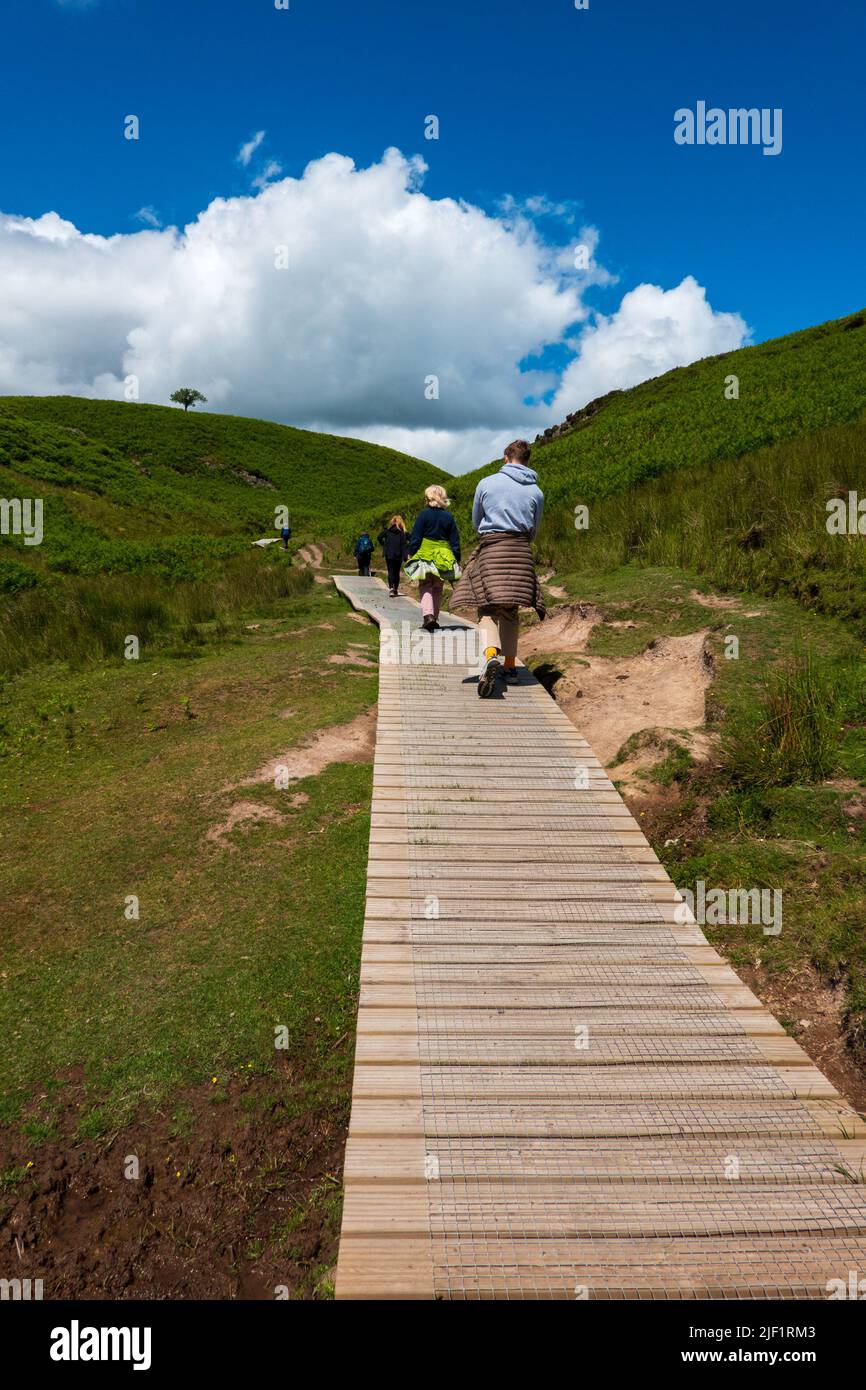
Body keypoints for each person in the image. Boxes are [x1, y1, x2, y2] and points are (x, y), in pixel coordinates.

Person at [450, 439, 545, 697]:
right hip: (521, 551)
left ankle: (491, 654)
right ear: (527, 460)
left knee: (488, 608)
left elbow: (475, 520)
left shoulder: (486, 483)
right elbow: (535, 529)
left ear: (506, 457)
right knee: (511, 609)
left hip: (492, 548)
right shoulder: (536, 492)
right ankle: (512, 668)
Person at [404, 486, 461, 632]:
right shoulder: (448, 517)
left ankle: (428, 616)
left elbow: (416, 537)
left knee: (425, 585)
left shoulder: (423, 515)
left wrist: (412, 552)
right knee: (438, 587)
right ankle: (434, 617)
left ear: (428, 499)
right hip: (443, 556)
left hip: (426, 554)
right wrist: (457, 558)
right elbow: (455, 540)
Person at [378, 515, 410, 596]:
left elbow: (379, 537)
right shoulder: (404, 532)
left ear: (392, 522)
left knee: (391, 571)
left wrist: (384, 545)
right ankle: (395, 588)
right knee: (397, 572)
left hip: (389, 553)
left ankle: (391, 589)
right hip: (399, 554)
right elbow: (412, 539)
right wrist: (407, 550)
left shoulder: (387, 530)